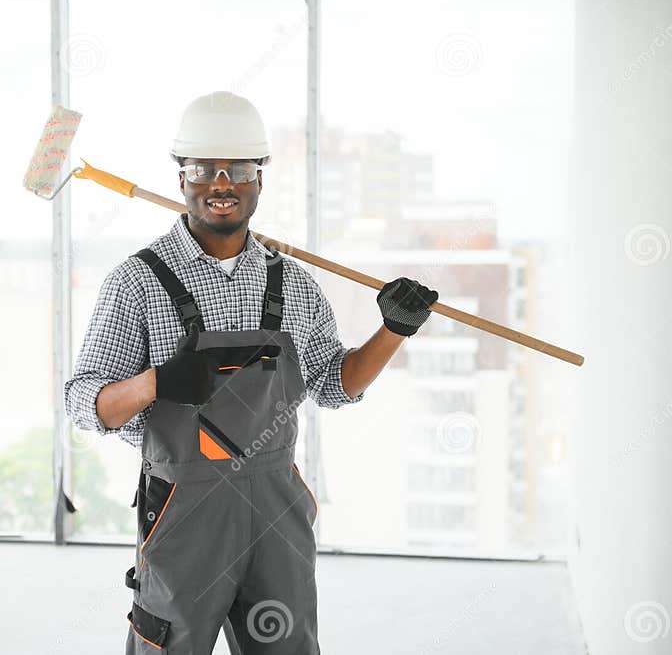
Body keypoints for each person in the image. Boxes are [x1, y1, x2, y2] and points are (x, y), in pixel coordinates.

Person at [64, 91, 439, 654]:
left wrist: (393, 330)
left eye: (238, 169)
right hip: (183, 509)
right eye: (203, 169)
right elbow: (82, 403)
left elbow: (335, 384)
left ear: (259, 177)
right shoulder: (135, 283)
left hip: (275, 505)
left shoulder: (294, 283)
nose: (221, 183)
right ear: (182, 177)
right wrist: (155, 384)